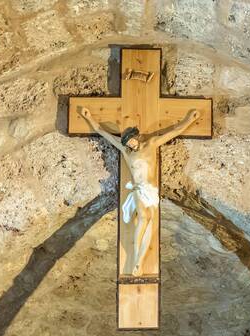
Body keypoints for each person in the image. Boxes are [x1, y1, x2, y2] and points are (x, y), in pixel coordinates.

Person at [78, 105, 201, 277]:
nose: (130, 144)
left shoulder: (151, 144)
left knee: (149, 221)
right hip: (138, 189)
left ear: (136, 137)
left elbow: (173, 132)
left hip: (151, 191)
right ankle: (136, 260)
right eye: (127, 143)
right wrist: (89, 117)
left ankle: (139, 261)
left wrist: (190, 119)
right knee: (143, 217)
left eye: (131, 140)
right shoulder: (127, 153)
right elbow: (103, 133)